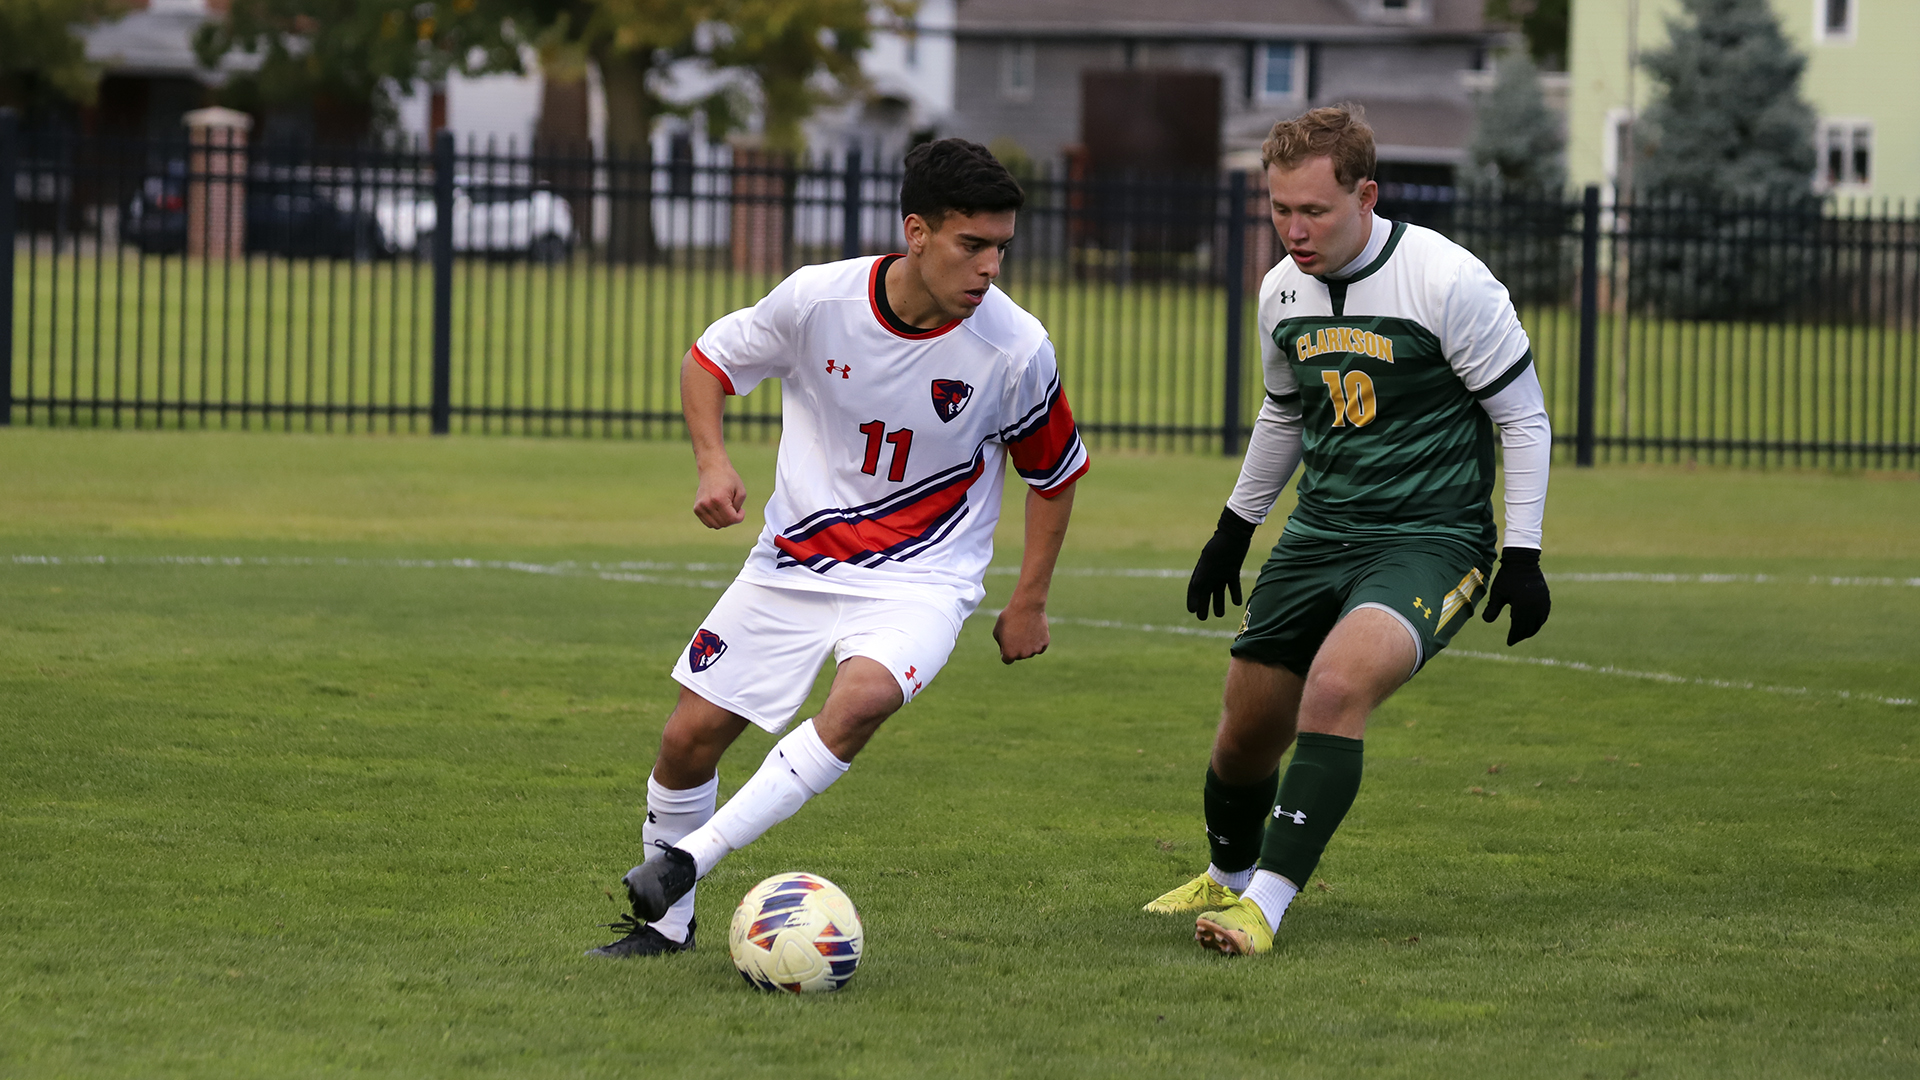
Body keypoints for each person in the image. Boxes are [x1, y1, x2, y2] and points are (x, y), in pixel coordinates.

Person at [590, 139, 1089, 958]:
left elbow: (1055, 474)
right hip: (794, 561)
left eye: (1002, 248)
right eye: (972, 244)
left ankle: (688, 861)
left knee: (861, 701)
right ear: (917, 232)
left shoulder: (1016, 348)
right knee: (687, 739)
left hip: (923, 580)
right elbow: (708, 361)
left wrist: (1029, 598)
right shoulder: (818, 300)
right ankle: (664, 929)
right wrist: (713, 462)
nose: (990, 267)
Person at [1143, 106, 1553, 956]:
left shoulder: (1448, 281)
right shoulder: (1280, 292)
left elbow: (1522, 419)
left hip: (1430, 540)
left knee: (1333, 690)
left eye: (1314, 211)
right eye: (1279, 209)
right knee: (1246, 730)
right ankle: (1225, 875)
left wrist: (1523, 553)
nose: (1294, 230)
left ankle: (1266, 906)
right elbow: (1284, 412)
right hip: (1318, 533)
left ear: (1367, 197)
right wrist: (1233, 529)